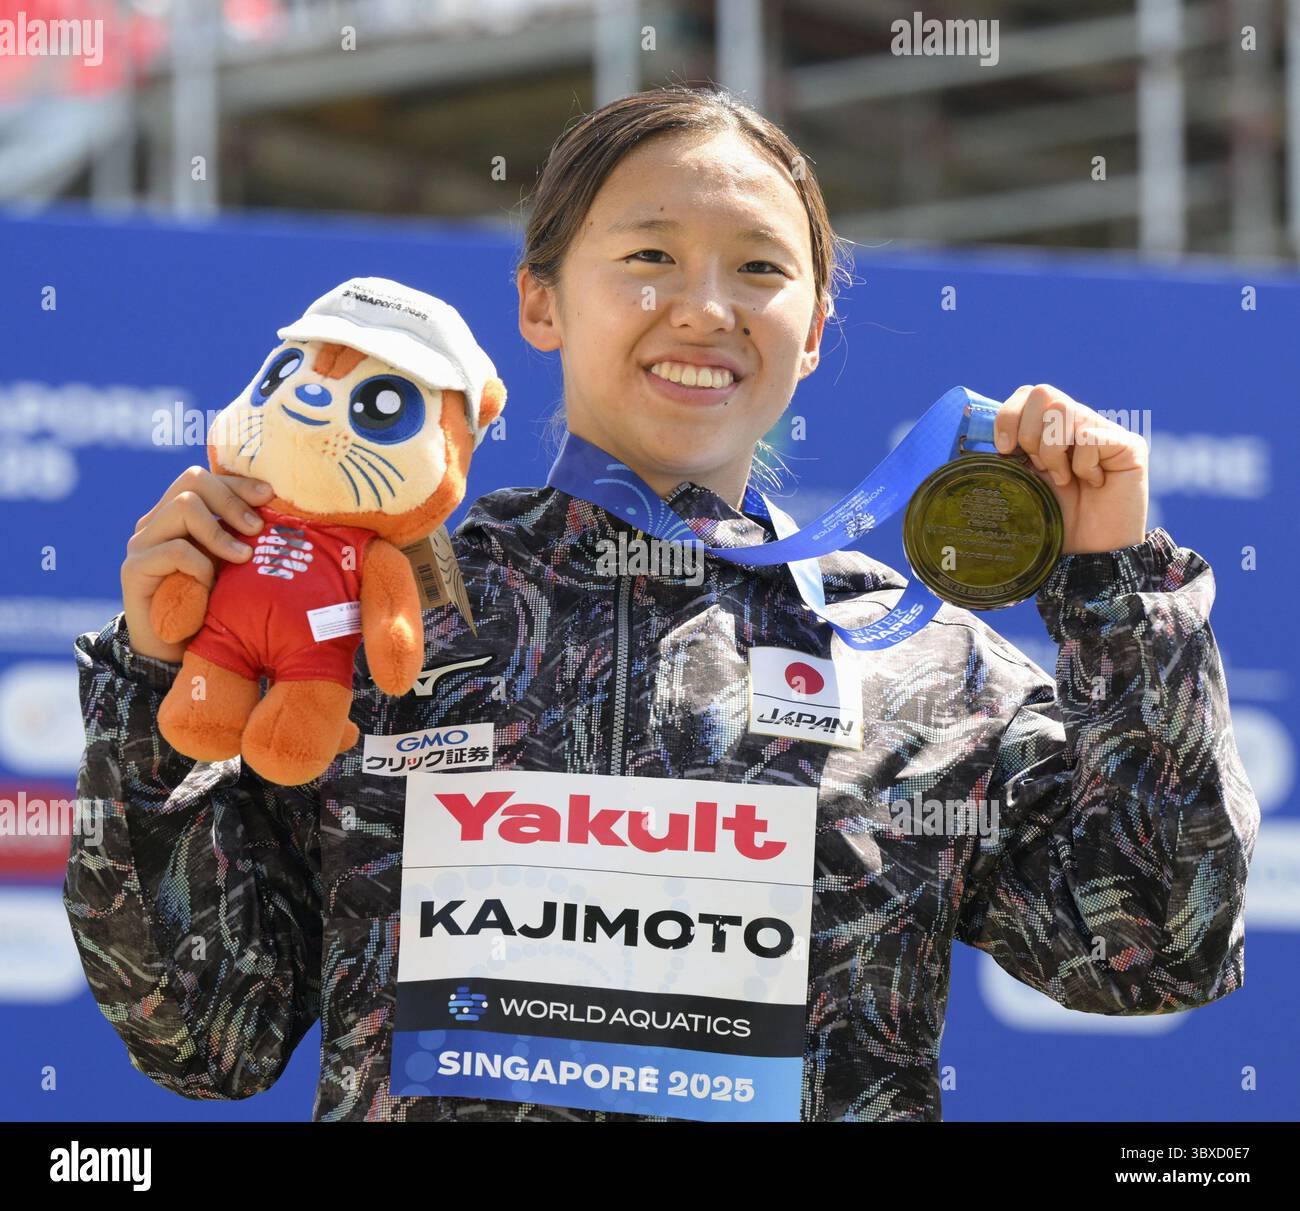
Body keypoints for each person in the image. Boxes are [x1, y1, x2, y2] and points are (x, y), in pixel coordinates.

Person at [65, 84, 1259, 1122]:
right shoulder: (379, 610)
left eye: (758, 268)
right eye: (647, 256)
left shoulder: (921, 661)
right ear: (539, 302)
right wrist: (150, 673)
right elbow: (206, 1036)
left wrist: (1117, 589)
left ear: (812, 332)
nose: (704, 307)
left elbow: (1156, 944)